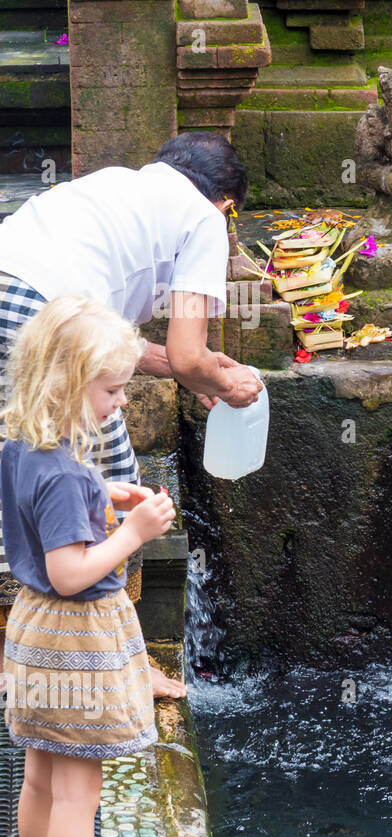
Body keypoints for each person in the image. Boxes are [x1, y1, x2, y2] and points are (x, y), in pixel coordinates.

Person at [0, 133, 262, 697]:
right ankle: (122, 661)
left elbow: (120, 341)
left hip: (14, 298)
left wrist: (188, 370)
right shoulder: (206, 220)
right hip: (44, 316)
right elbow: (192, 354)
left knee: (17, 465)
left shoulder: (119, 184)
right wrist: (227, 384)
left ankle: (17, 655)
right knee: (113, 483)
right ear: (223, 201)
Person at [0, 298, 176, 837]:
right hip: (76, 641)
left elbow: (47, 510)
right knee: (79, 797)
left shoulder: (23, 447)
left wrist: (105, 495)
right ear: (65, 384)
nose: (122, 401)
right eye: (111, 390)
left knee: (41, 782)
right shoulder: (67, 474)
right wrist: (134, 534)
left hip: (33, 632)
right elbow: (70, 573)